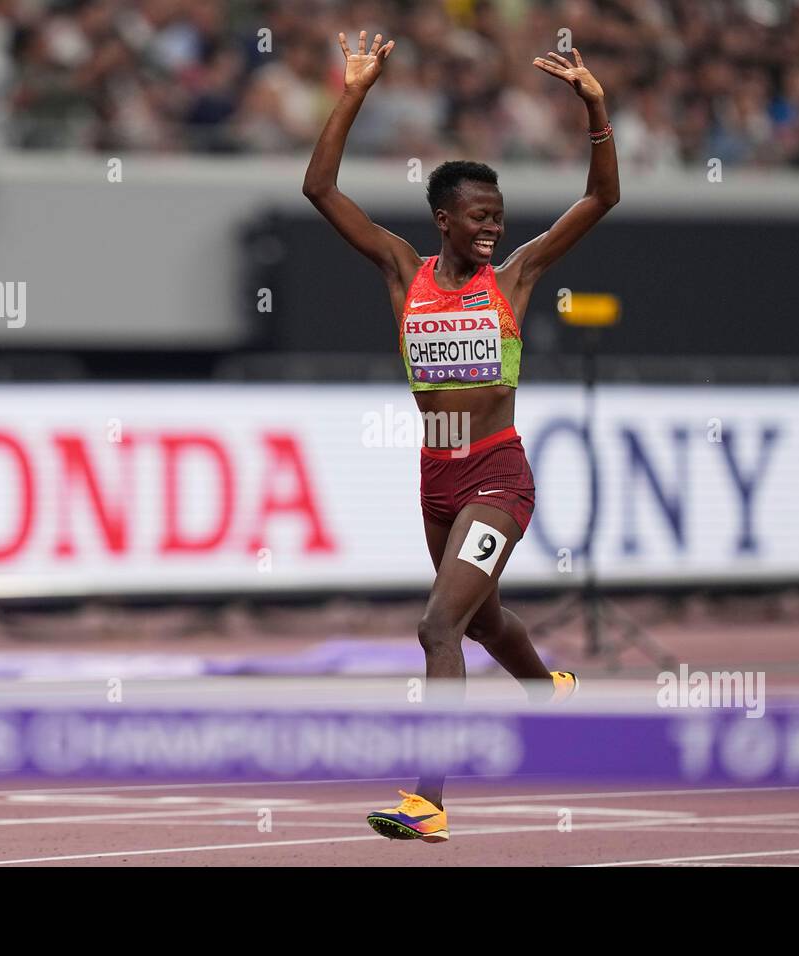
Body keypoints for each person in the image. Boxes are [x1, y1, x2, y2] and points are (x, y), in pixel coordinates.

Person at [302, 31, 619, 843]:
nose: (491, 229)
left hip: (497, 479)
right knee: (480, 621)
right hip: (434, 478)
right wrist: (357, 91)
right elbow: (319, 187)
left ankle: (430, 798)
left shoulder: (514, 276)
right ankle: (546, 689)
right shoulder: (402, 272)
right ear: (443, 220)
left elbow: (600, 201)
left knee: (438, 626)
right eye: (478, 218)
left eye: (498, 218)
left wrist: (596, 108)